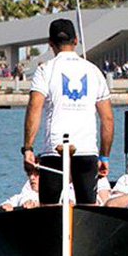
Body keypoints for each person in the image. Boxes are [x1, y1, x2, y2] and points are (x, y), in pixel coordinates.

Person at [21, 18, 114, 205]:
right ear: (76, 41)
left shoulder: (45, 70)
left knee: (49, 209)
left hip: (54, 149)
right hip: (86, 149)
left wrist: (28, 148)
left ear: (50, 44)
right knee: (87, 208)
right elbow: (108, 120)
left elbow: (34, 108)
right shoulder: (94, 71)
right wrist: (104, 156)